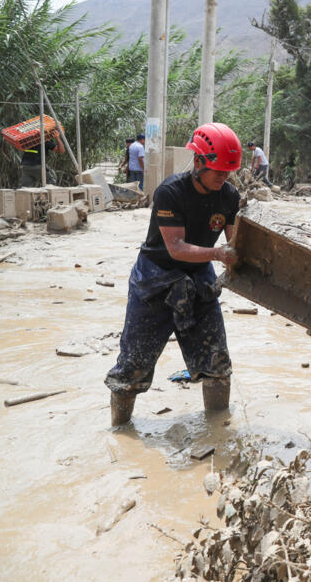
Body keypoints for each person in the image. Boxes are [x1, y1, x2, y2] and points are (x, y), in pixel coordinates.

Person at [104, 122, 243, 426]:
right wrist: (219, 254)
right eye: (217, 170)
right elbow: (176, 248)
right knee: (132, 367)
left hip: (199, 277)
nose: (223, 177)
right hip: (156, 279)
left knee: (217, 362)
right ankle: (120, 430)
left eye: (227, 172)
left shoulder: (229, 196)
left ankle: (217, 431)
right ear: (197, 162)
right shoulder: (170, 192)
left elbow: (235, 243)